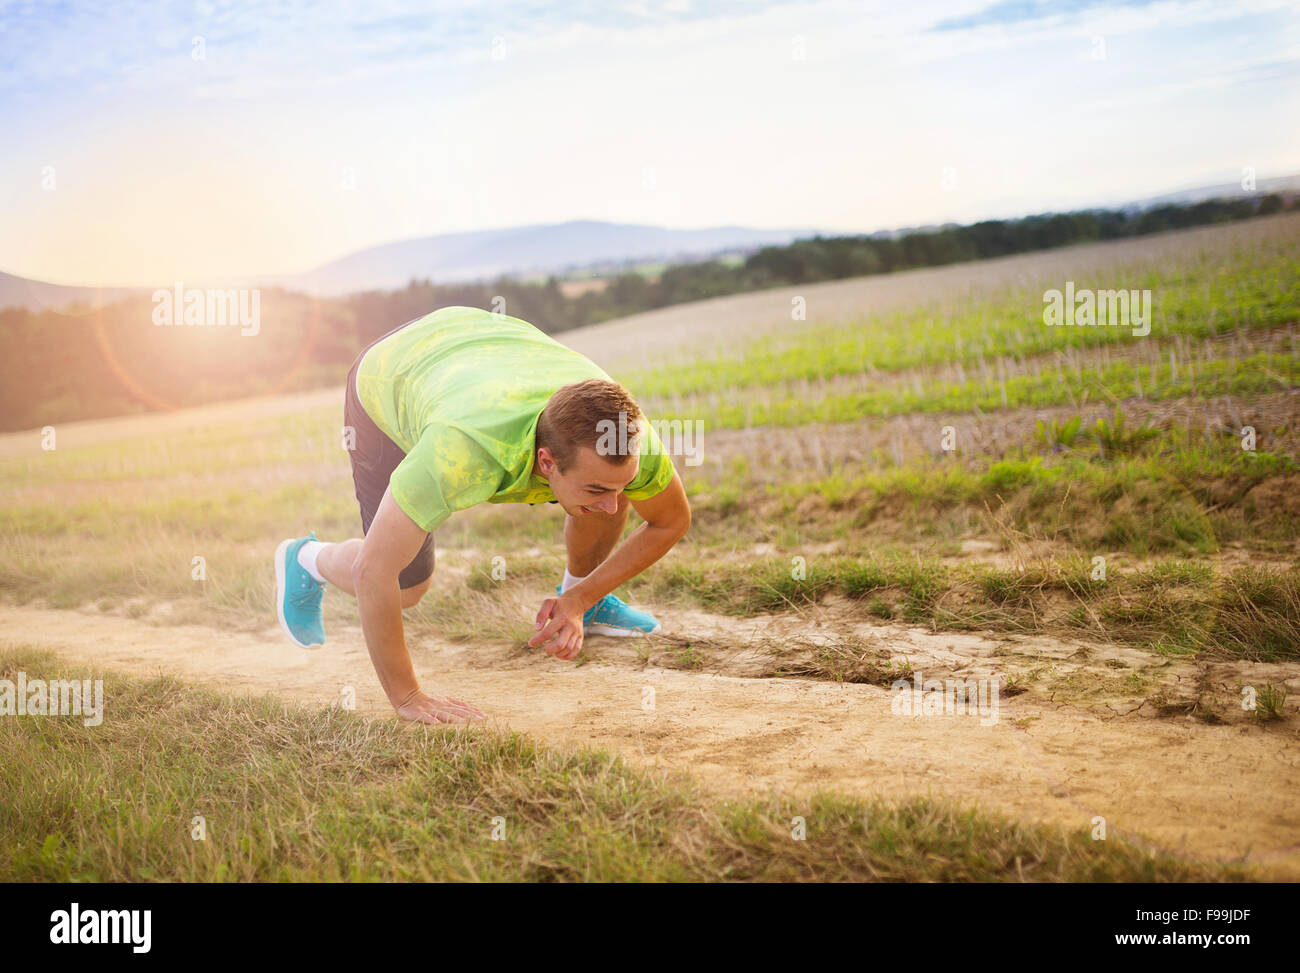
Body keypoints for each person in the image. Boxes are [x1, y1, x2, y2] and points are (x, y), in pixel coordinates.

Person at [273, 305, 692, 725]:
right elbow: (373, 571)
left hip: (478, 347)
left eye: (624, 486)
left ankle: (586, 600)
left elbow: (671, 520)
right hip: (393, 373)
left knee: (604, 499)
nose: (615, 504)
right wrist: (408, 697)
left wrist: (581, 597)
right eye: (598, 488)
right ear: (546, 462)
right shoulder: (461, 451)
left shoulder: (622, 437)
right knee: (406, 588)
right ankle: (307, 558)